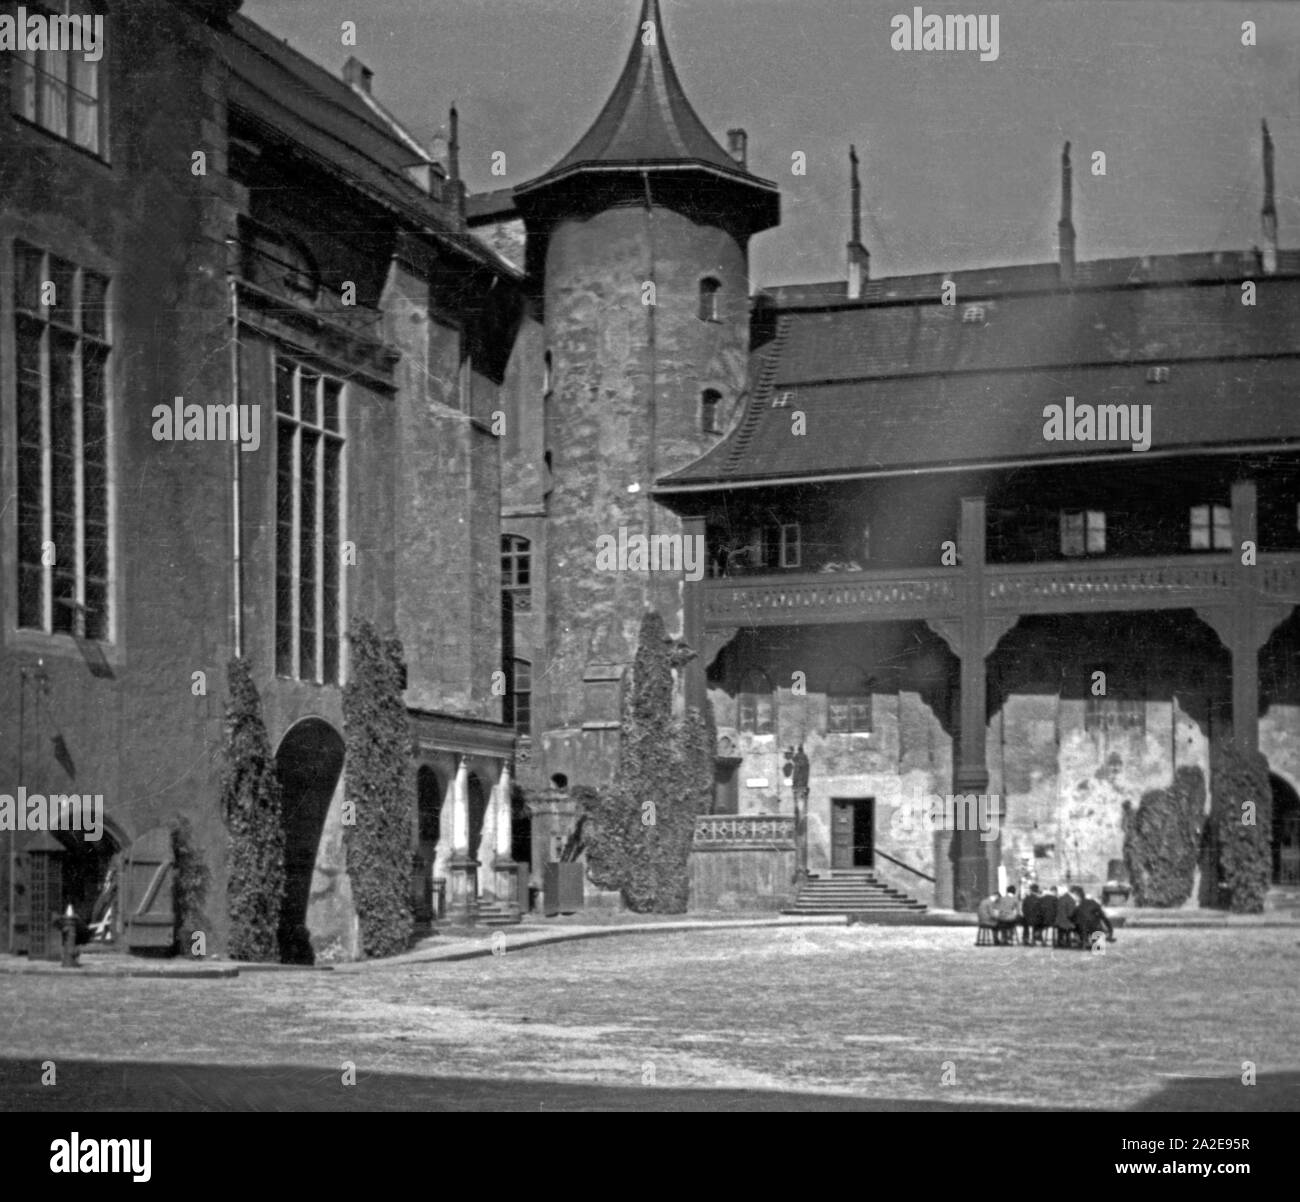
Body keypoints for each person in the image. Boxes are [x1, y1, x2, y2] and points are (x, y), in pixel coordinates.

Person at [1055, 883, 1078, 948]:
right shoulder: (1071, 900)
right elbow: (1070, 914)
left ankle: (1060, 941)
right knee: (1074, 924)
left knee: (1062, 928)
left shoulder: (1060, 898)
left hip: (1059, 921)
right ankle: (1068, 942)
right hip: (1067, 922)